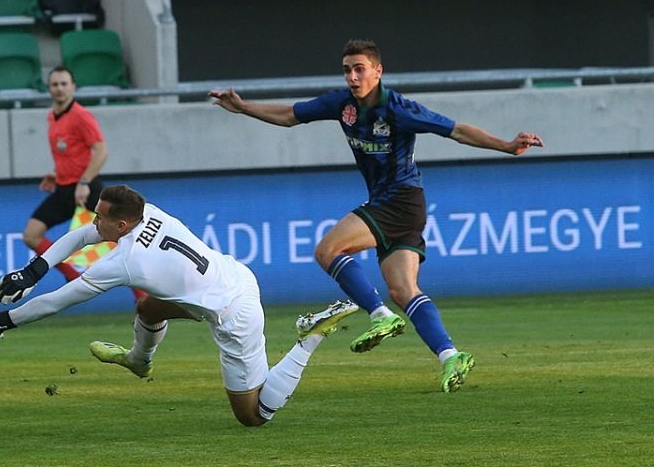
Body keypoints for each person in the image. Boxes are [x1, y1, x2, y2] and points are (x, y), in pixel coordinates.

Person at [208, 39, 544, 392]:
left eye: (359, 69)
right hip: (401, 205)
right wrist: (243, 107)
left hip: (399, 200)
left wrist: (507, 146)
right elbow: (290, 115)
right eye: (347, 70)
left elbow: (457, 130)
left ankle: (379, 315)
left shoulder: (399, 108)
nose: (352, 77)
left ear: (378, 71)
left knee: (328, 250)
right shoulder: (341, 104)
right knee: (404, 290)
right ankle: (450, 356)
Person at [0, 184, 360, 427]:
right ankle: (138, 361)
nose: (94, 221)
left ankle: (309, 338)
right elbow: (82, 235)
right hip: (233, 276)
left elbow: (59, 301)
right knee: (149, 308)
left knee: (253, 415)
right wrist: (32, 271)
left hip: (233, 313)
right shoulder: (150, 211)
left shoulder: (124, 262)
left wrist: (4, 320)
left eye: (101, 216)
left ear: (123, 224)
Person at [23, 66, 110, 284]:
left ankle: (143, 295)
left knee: (124, 237)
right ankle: (73, 278)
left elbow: (101, 150)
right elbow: (70, 152)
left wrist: (84, 181)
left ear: (73, 87)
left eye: (64, 84)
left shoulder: (81, 116)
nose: (59, 89)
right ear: (49, 88)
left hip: (85, 188)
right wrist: (56, 173)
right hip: (64, 188)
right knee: (31, 235)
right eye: (55, 84)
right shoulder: (53, 117)